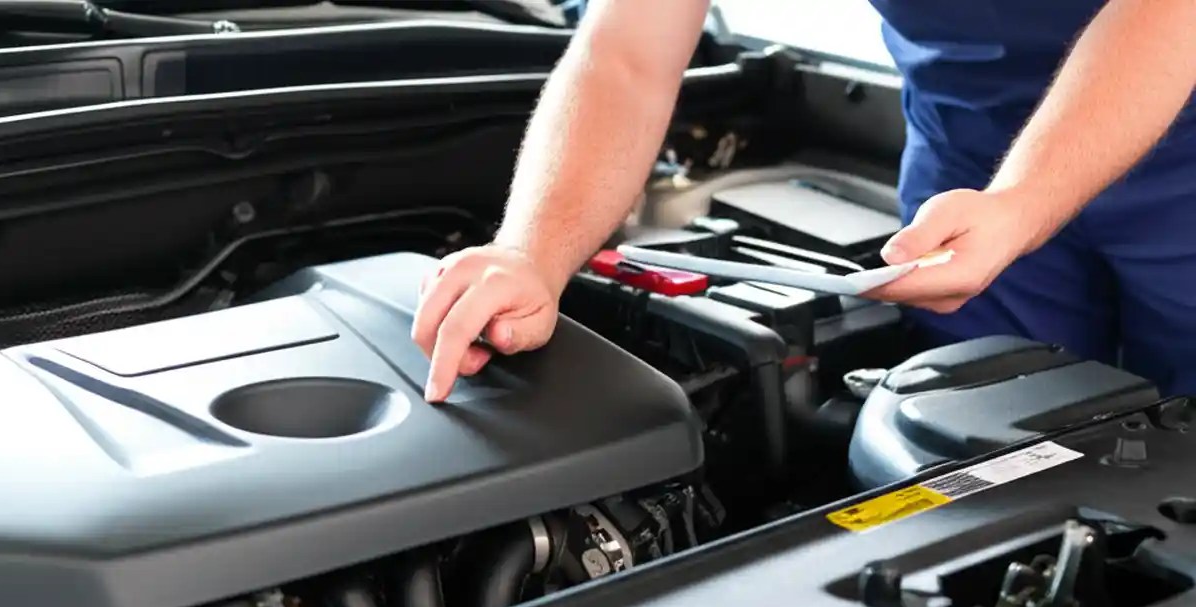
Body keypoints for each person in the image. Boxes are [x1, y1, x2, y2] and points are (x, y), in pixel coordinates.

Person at [412, 0, 1196, 403]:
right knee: (989, 441)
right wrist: (531, 252)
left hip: (1178, 157)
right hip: (968, 159)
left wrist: (1026, 199)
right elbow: (624, 57)